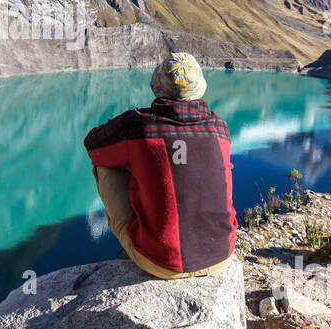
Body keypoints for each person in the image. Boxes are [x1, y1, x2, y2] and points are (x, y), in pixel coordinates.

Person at [83, 52, 237, 279]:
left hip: (165, 263)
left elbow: (93, 146)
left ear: (157, 86)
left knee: (106, 164)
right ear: (200, 88)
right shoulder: (220, 128)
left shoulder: (138, 126)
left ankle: (146, 238)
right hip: (222, 254)